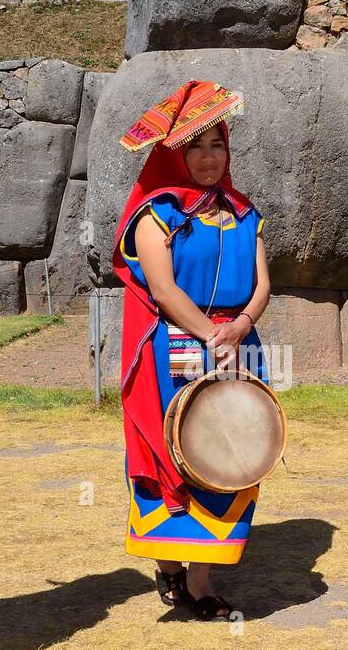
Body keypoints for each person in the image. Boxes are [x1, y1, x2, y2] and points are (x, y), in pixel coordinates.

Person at [114, 80, 272, 622]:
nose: (208, 158)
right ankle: (171, 565)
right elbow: (163, 290)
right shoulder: (156, 213)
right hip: (181, 343)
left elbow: (262, 283)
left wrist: (242, 324)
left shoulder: (245, 211)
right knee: (182, 450)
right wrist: (212, 334)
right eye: (196, 146)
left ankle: (201, 580)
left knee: (230, 448)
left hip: (239, 342)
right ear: (175, 153)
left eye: (217, 145)